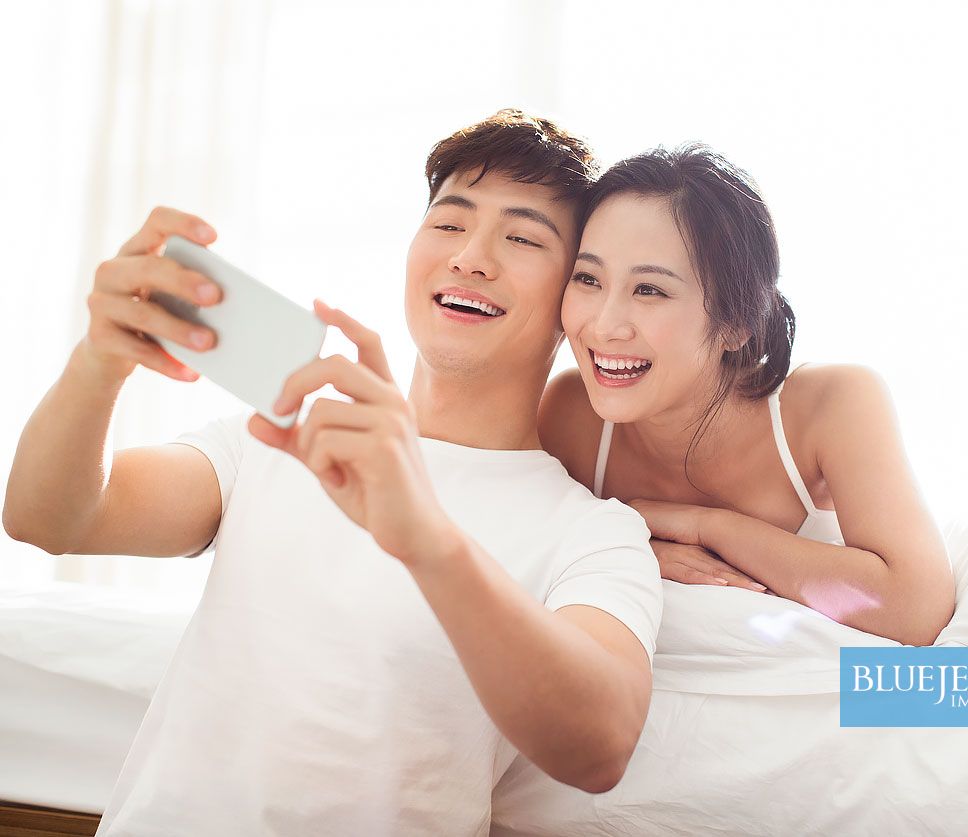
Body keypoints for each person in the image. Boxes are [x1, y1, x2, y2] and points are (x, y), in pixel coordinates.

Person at [2, 109, 663, 835]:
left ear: (576, 296)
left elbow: (600, 746)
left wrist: (426, 538)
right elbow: (50, 517)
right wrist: (97, 365)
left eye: (521, 237)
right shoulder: (276, 436)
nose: (471, 256)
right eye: (448, 223)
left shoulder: (592, 531)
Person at [538, 144, 955, 647]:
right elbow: (519, 554)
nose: (603, 326)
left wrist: (704, 526)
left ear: (736, 322)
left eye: (650, 290)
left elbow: (914, 609)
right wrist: (631, 544)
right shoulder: (571, 414)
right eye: (588, 279)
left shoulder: (833, 404)